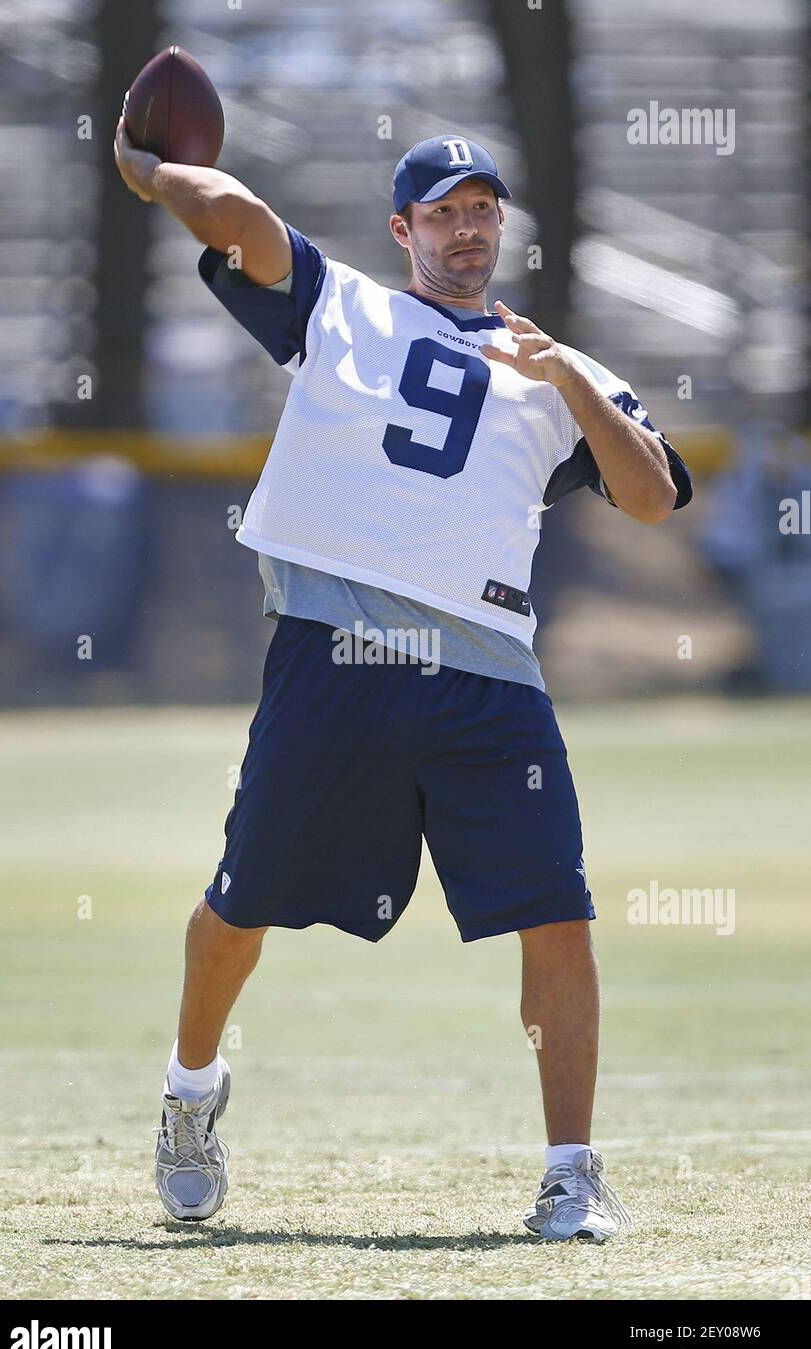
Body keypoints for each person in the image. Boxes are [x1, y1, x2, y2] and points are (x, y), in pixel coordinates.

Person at [114, 123, 692, 1241]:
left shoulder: (552, 369)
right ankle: (190, 1094)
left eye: (481, 208)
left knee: (556, 915)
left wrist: (567, 374)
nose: (466, 228)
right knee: (241, 903)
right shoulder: (343, 306)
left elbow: (657, 494)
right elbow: (235, 219)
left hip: (485, 673)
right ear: (402, 228)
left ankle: (569, 1170)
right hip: (334, 654)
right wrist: (153, 170)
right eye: (442, 211)